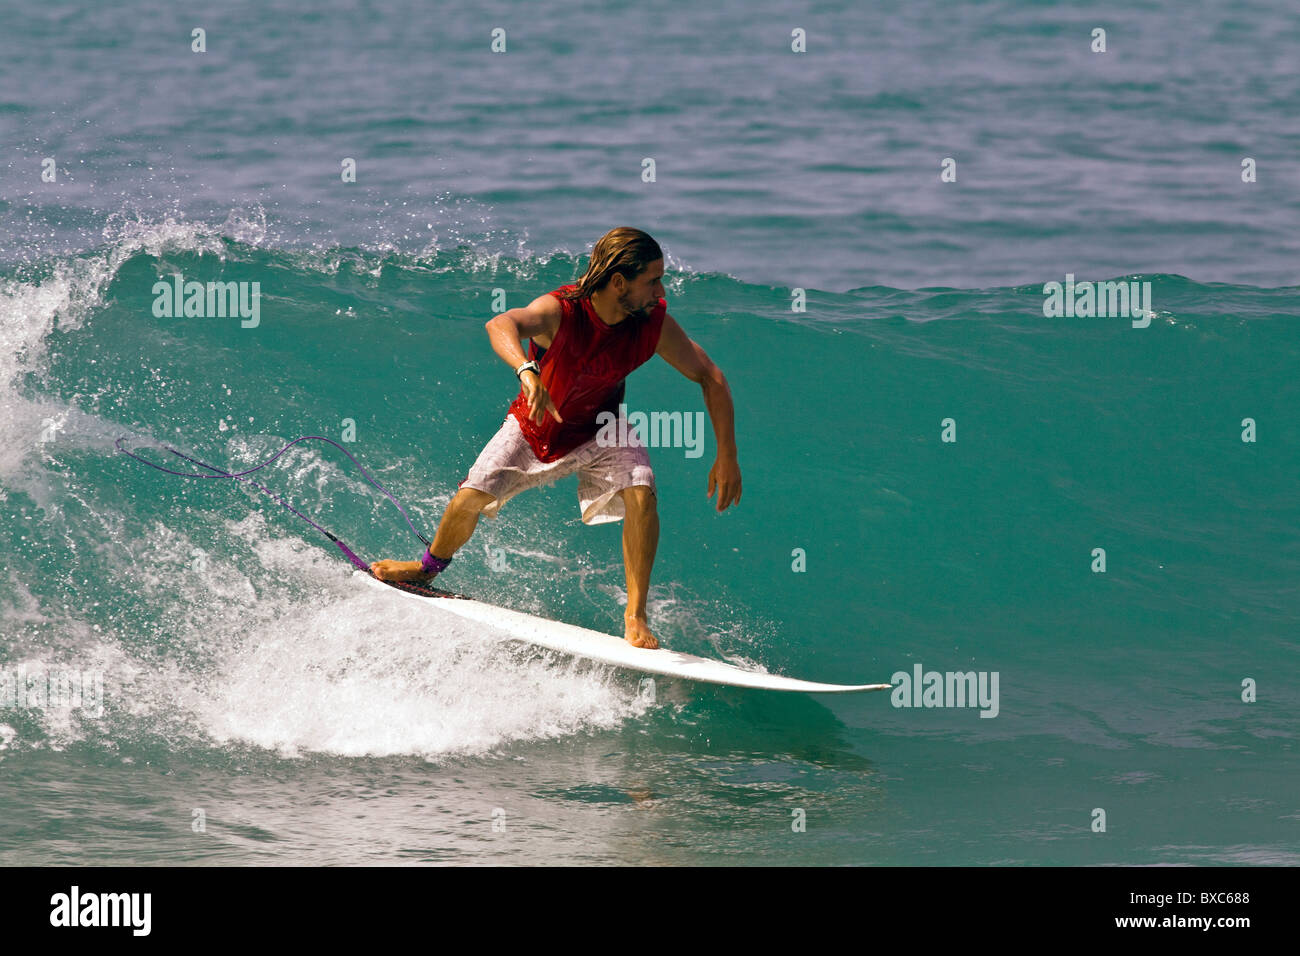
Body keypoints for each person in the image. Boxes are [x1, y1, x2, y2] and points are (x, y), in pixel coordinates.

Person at [370, 227, 741, 648]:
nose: (661, 290)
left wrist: (726, 455)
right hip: (536, 427)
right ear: (619, 282)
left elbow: (711, 377)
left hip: (602, 427)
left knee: (641, 491)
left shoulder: (652, 325)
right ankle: (427, 569)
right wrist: (526, 370)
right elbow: (501, 323)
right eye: (652, 280)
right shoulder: (561, 311)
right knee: (471, 497)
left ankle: (635, 616)